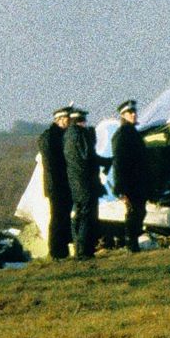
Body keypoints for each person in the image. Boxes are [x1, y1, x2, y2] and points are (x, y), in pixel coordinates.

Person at [108, 100, 151, 251]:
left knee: (140, 211)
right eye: (130, 113)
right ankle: (131, 244)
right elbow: (119, 163)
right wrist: (120, 187)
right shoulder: (122, 135)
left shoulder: (132, 132)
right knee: (134, 213)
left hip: (138, 181)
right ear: (123, 115)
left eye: (134, 112)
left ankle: (133, 243)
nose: (133, 115)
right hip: (130, 182)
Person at [62, 106, 102, 258]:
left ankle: (78, 248)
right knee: (86, 215)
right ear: (81, 121)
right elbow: (88, 156)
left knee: (77, 215)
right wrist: (91, 139)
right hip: (85, 181)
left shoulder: (67, 135)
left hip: (74, 181)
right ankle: (85, 250)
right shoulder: (81, 135)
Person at [39, 107, 75, 260]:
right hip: (57, 185)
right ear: (59, 119)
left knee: (63, 217)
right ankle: (56, 250)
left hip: (63, 184)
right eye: (67, 118)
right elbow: (52, 164)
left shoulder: (60, 135)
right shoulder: (50, 137)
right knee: (58, 217)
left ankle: (62, 250)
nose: (70, 121)